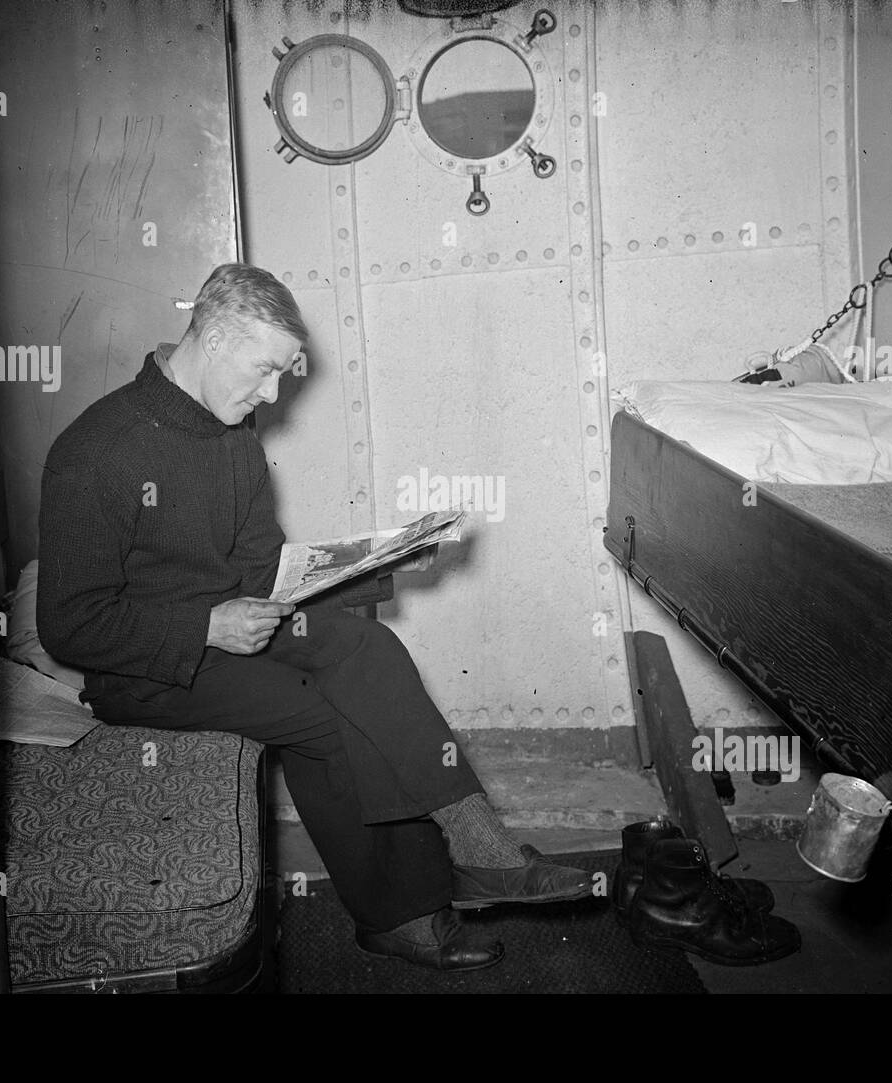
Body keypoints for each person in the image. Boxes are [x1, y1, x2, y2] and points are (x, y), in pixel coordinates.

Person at [37, 262, 593, 972]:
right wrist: (205, 626)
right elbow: (69, 623)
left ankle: (482, 845)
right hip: (146, 669)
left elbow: (259, 567)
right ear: (211, 339)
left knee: (369, 647)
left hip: (232, 631)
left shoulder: (229, 431)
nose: (273, 393)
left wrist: (371, 564)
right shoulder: (95, 451)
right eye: (265, 370)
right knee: (318, 714)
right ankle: (401, 914)